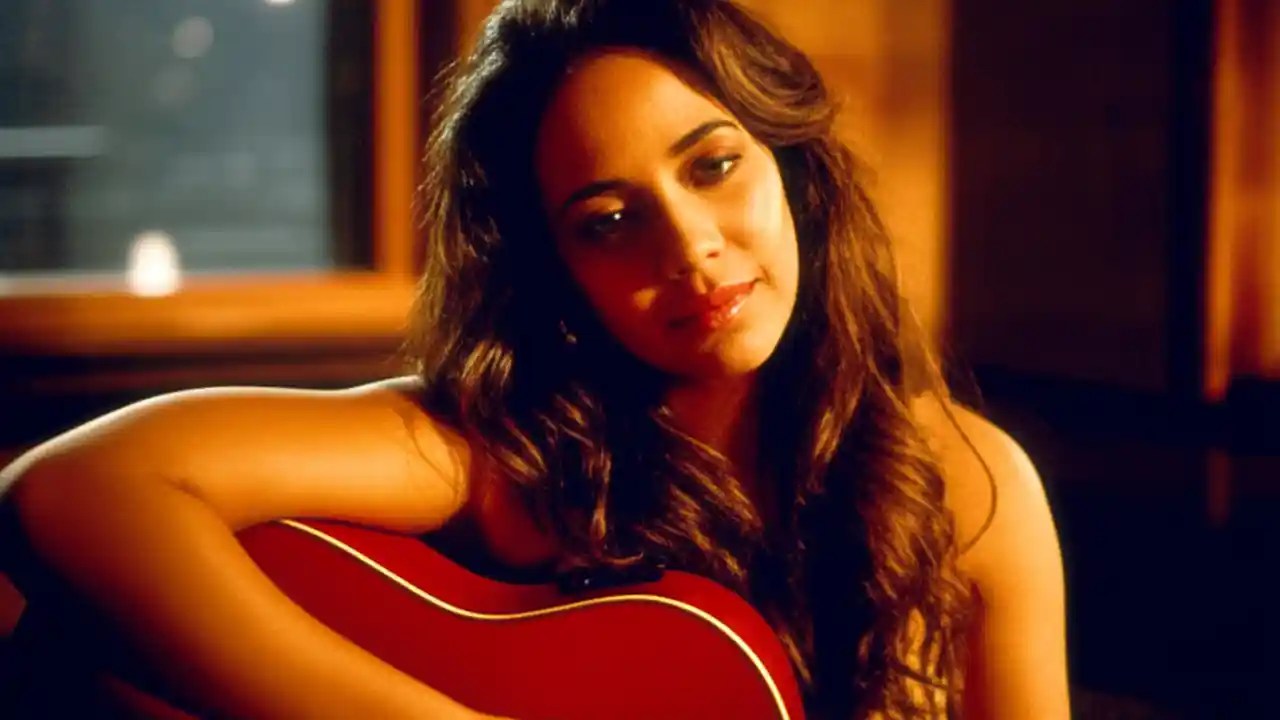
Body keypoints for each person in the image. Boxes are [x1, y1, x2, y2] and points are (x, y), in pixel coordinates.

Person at [0, 0, 1068, 717]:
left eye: (715, 166)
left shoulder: (973, 490)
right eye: (608, 220)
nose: (690, 248)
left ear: (794, 171)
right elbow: (70, 488)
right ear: (554, 268)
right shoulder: (508, 450)